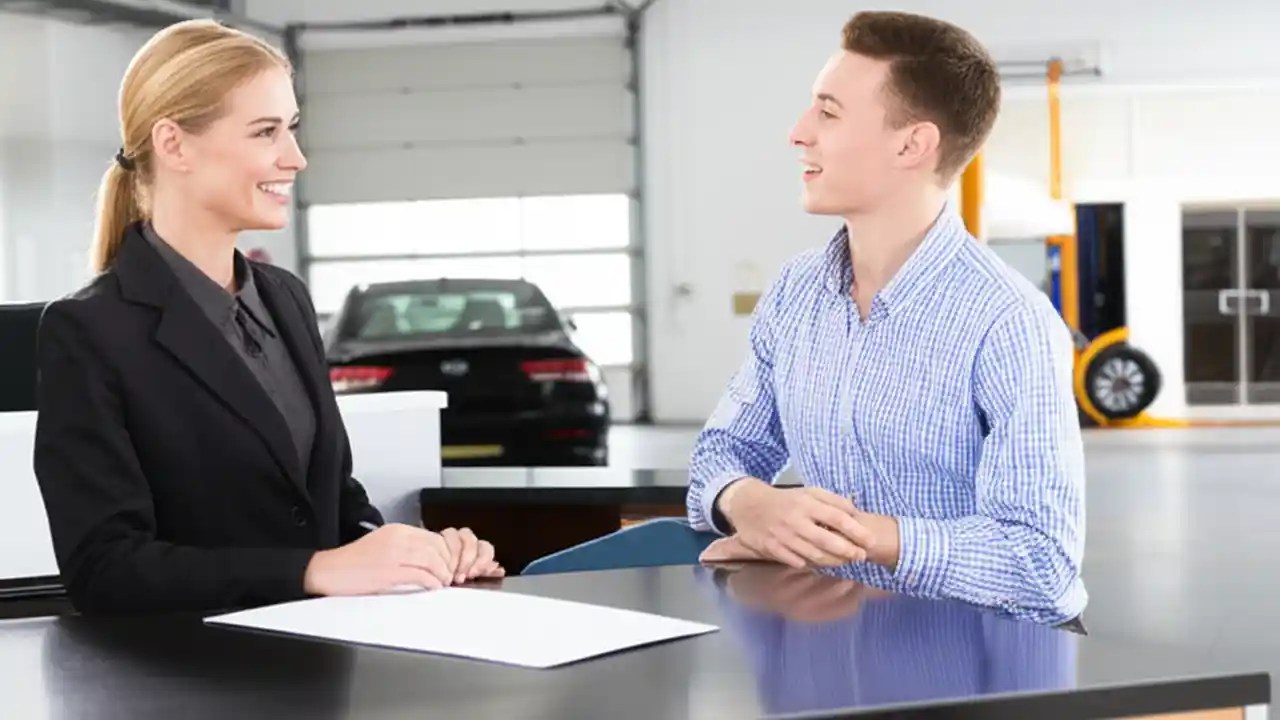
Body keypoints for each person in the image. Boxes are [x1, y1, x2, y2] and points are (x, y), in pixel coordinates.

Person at [33, 19, 503, 616]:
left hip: (322, 657)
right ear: (174, 144)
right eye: (265, 132)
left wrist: (413, 554)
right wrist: (314, 570)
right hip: (195, 667)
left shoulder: (286, 299)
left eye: (292, 128)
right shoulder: (90, 331)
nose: (296, 158)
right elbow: (105, 569)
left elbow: (334, 501)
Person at [686, 11, 1086, 625]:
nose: (798, 133)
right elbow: (726, 448)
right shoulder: (796, 292)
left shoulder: (1008, 321)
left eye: (828, 113)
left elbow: (1041, 563)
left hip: (981, 652)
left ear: (911, 145)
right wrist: (747, 502)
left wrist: (854, 536)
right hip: (840, 637)